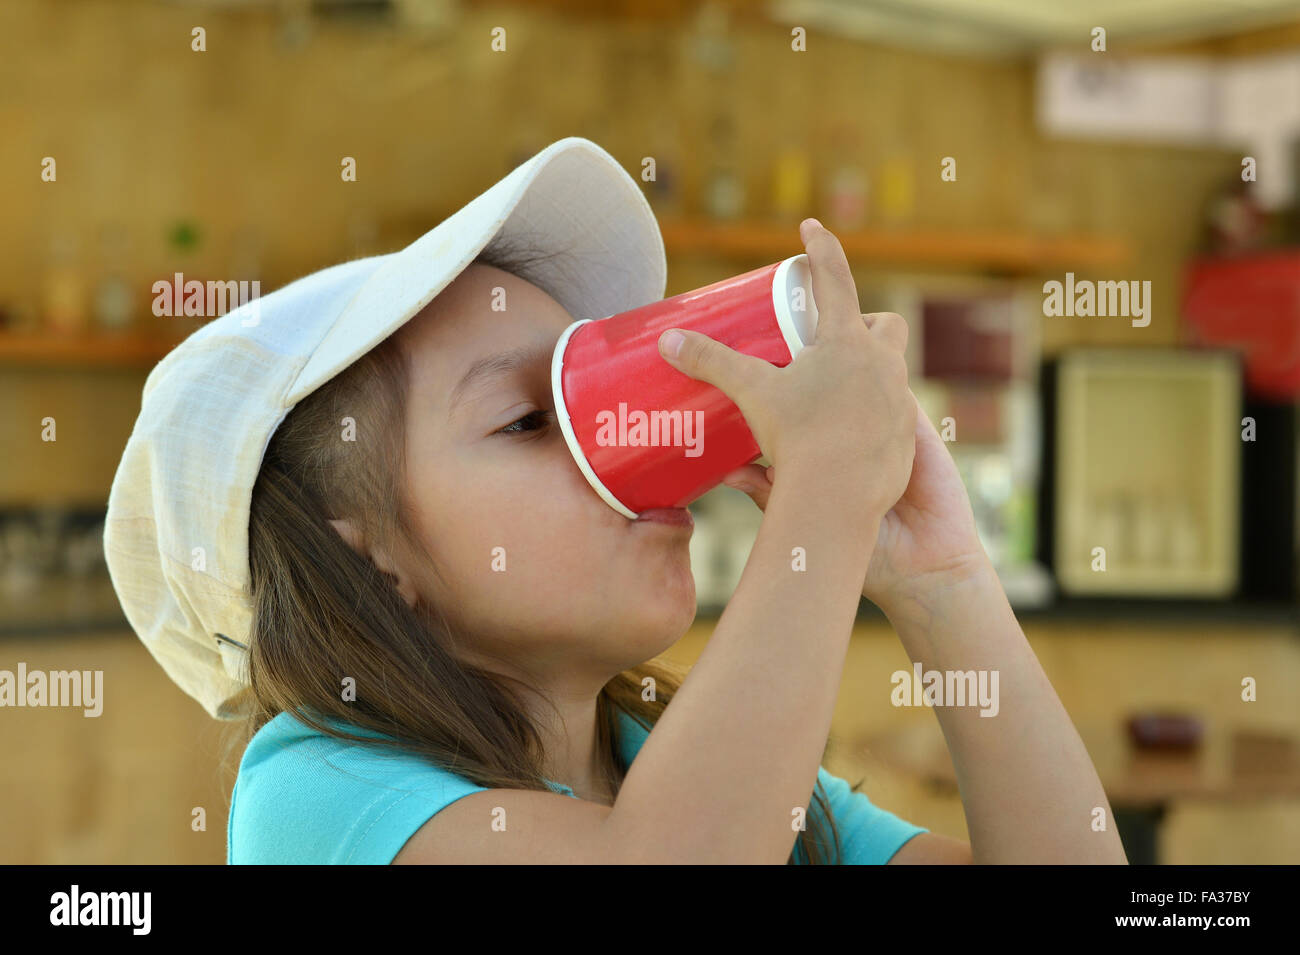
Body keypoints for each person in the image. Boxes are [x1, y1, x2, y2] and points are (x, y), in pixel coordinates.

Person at [104, 137, 1126, 865]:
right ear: (369, 550)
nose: (625, 443)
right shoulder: (320, 797)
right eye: (529, 421)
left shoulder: (708, 776)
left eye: (592, 395)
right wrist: (818, 506)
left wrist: (941, 584)